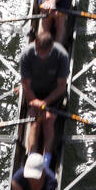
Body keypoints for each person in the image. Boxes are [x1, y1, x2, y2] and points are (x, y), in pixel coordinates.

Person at [18, 28, 68, 158]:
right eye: (39, 53)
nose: (42, 57)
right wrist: (33, 101)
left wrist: (45, 103)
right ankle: (31, 157)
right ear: (35, 43)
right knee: (35, 120)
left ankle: (47, 158)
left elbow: (62, 87)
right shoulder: (26, 54)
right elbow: (25, 84)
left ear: (52, 46)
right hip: (34, 94)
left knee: (49, 120)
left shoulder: (61, 55)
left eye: (45, 54)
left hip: (53, 95)